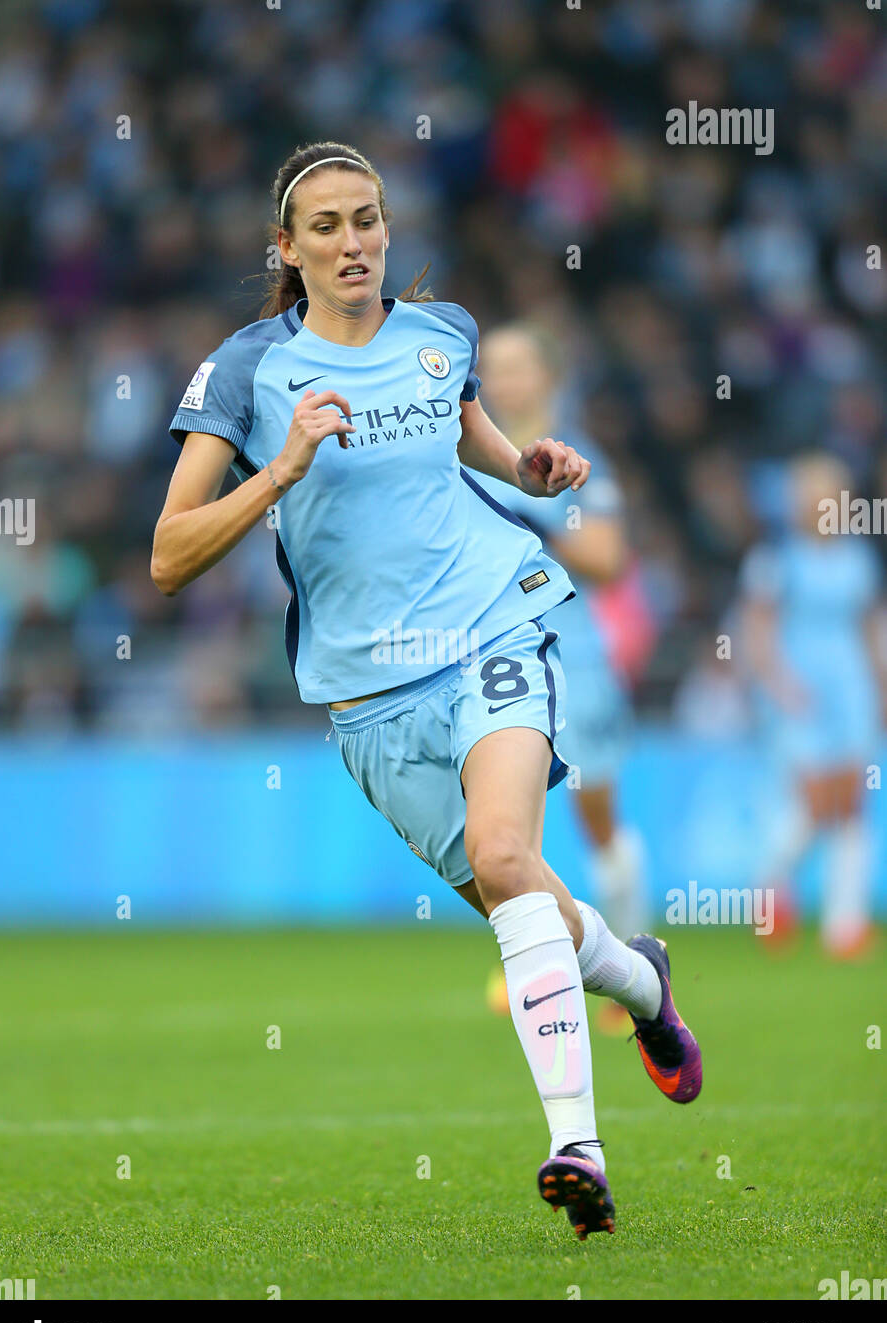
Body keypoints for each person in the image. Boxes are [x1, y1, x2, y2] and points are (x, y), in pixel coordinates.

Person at [151, 140, 701, 1241]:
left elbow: (480, 449)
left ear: (387, 230)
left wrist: (531, 469)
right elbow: (167, 555)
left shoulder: (440, 336)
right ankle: (641, 982)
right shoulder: (249, 371)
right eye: (327, 227)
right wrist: (282, 469)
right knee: (522, 898)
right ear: (287, 249)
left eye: (368, 219)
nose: (353, 242)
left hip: (491, 623)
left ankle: (575, 1148)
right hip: (367, 697)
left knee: (507, 858)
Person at [472, 322, 650, 1034]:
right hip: (498, 658)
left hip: (575, 656)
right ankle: (539, 960)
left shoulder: (581, 463)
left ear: (548, 376)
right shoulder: (472, 456)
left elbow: (608, 561)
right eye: (496, 368)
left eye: (520, 366)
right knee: (508, 829)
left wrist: (540, 525)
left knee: (597, 815)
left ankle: (636, 956)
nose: (507, 380)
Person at [739, 451, 885, 958]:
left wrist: (880, 689)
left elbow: (869, 630)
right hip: (800, 691)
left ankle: (846, 926)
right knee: (815, 805)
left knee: (852, 805)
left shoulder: (859, 559)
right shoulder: (775, 560)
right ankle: (770, 883)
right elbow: (756, 633)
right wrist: (780, 686)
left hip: (851, 690)